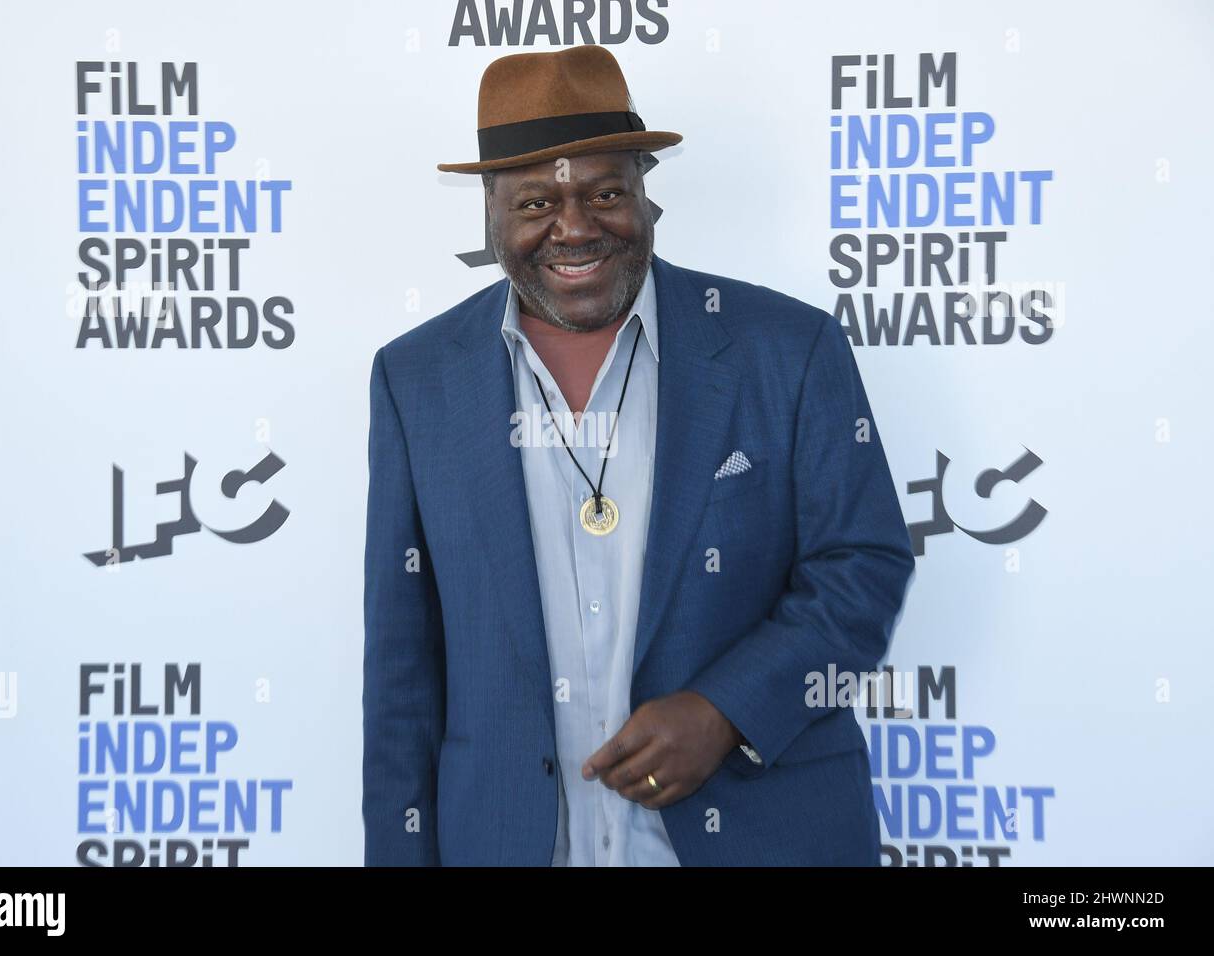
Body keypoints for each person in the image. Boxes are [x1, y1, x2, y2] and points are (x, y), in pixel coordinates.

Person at [363, 44, 915, 866]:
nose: (575, 226)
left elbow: (863, 564)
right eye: (537, 201)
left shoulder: (787, 349)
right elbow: (403, 671)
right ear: (490, 212)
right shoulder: (415, 379)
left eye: (605, 192)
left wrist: (724, 711)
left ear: (647, 196)